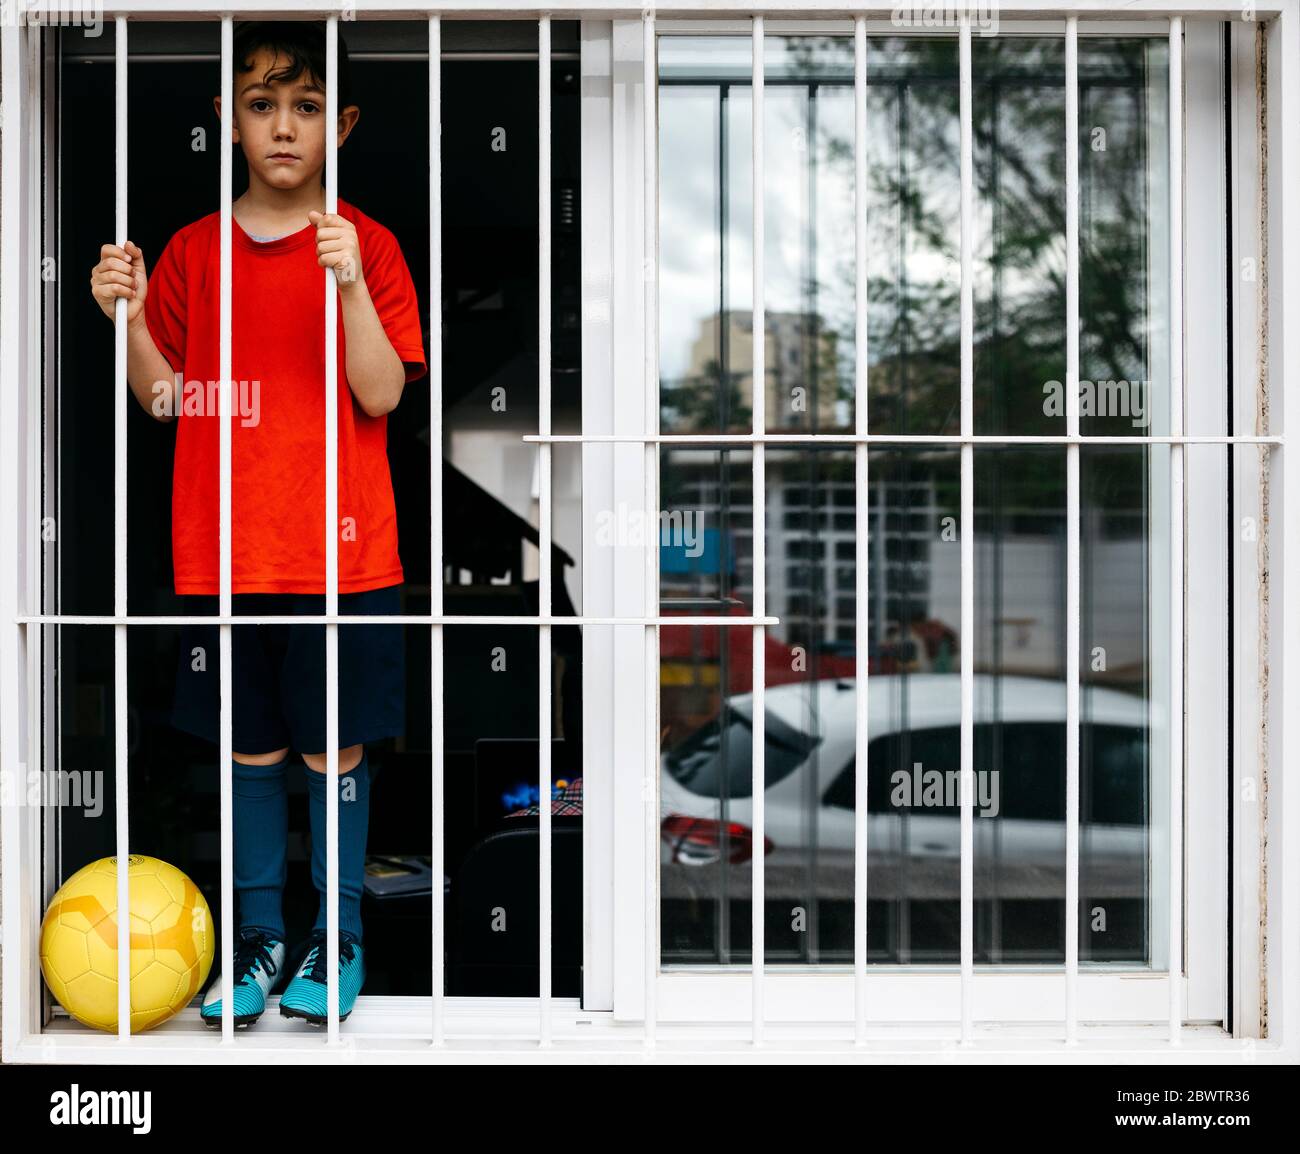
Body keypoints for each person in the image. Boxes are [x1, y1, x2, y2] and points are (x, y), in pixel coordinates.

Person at [88, 20, 427, 1028]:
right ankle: (257, 939)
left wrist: (352, 279)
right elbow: (168, 406)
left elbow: (380, 395)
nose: (285, 128)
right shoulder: (194, 250)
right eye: (263, 104)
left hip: (346, 554)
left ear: (343, 123)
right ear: (229, 122)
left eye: (308, 107)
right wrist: (134, 320)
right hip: (226, 557)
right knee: (248, 755)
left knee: (335, 754)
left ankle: (340, 936)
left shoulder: (368, 243)